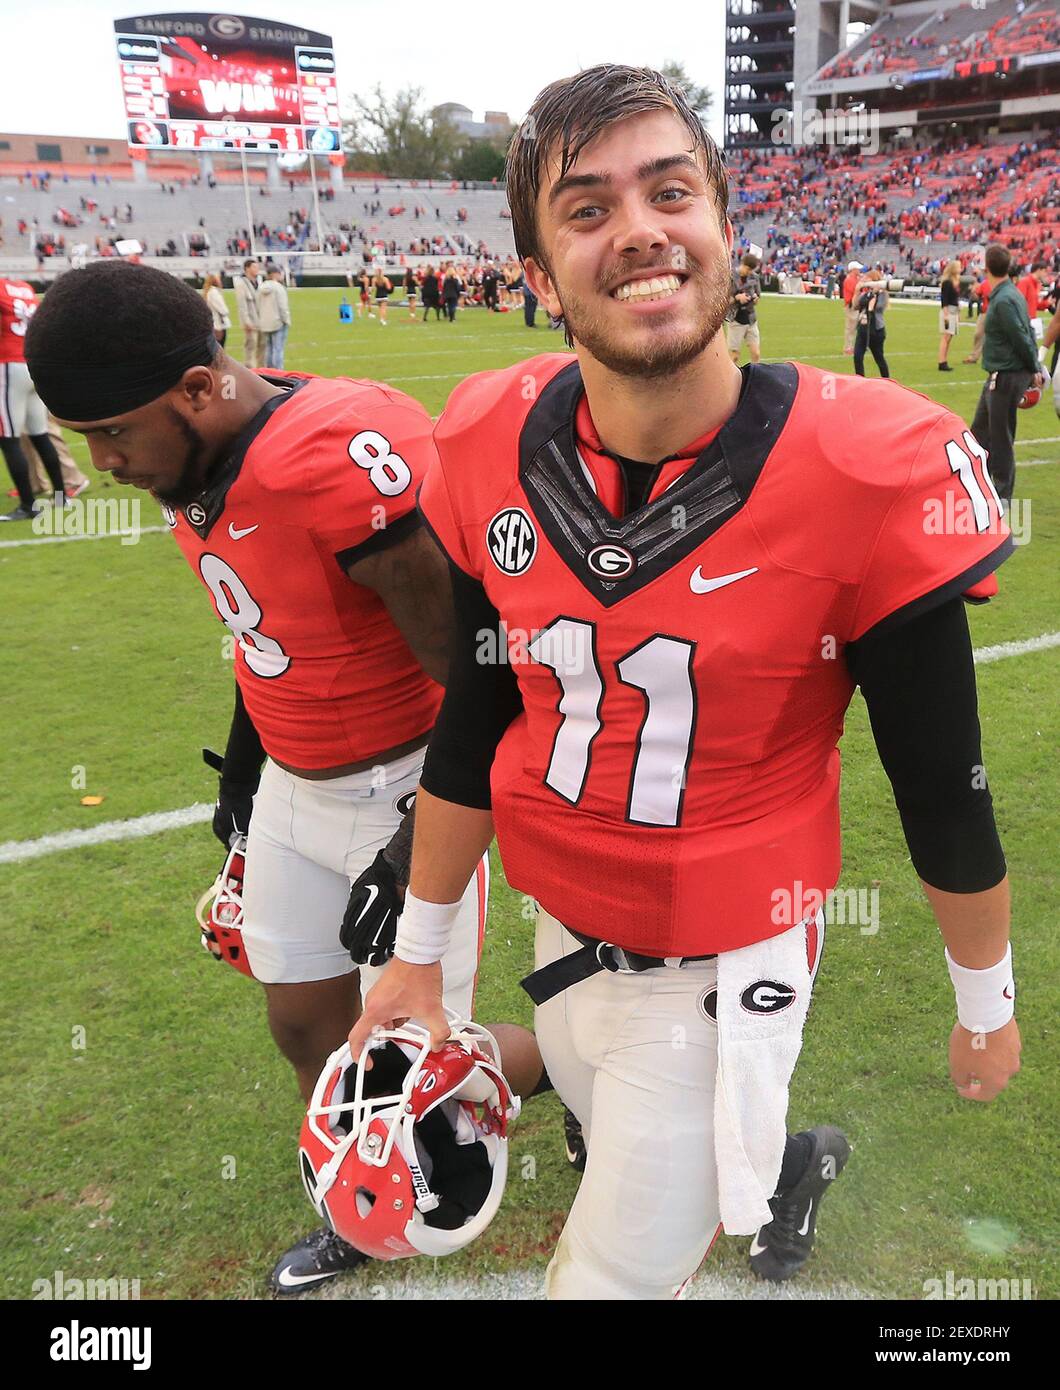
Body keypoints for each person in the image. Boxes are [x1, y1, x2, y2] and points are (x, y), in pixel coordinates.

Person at [350, 63, 1020, 1302]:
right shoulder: (488, 435)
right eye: (588, 207)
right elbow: (479, 715)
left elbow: (942, 784)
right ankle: (776, 1169)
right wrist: (418, 950)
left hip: (725, 965)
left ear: (722, 229)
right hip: (561, 941)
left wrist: (985, 1003)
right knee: (605, 1135)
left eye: (670, 192)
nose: (640, 229)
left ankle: (756, 1154)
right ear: (541, 277)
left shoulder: (869, 465)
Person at [25, 261, 544, 1295]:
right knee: (304, 1024)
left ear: (197, 388)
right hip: (293, 791)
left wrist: (415, 850)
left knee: (408, 1064)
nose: (105, 459)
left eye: (116, 431)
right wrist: (247, 775)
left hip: (408, 785)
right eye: (87, 436)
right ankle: (350, 1189)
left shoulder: (324, 460)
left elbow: (477, 676)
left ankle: (583, 1067)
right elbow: (261, 634)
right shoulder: (207, 448)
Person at [969, 243, 1043, 507]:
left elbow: (1021, 337)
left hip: (1006, 375)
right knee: (979, 432)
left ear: (987, 268)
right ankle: (979, 483)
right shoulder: (1008, 293)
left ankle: (1002, 495)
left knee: (999, 435)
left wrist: (1034, 367)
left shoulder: (1003, 300)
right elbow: (1027, 333)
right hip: (1000, 373)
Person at [0, 275, 65, 520]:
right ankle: (61, 496)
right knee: (40, 434)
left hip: (8, 364)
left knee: (8, 438)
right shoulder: (24, 288)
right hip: (29, 364)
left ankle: (28, 505)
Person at [852, 265, 890, 379]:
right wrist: (857, 292)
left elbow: (877, 308)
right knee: (857, 357)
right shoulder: (866, 293)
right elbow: (855, 305)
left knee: (879, 357)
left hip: (876, 330)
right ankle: (860, 379)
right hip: (863, 329)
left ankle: (887, 379)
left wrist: (874, 293)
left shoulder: (882, 294)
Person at [727, 252, 761, 364]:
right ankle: (731, 380)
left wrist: (755, 298)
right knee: (734, 356)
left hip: (751, 318)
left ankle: (755, 377)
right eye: (749, 269)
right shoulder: (730, 276)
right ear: (743, 265)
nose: (750, 272)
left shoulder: (754, 277)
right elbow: (724, 300)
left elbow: (758, 296)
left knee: (756, 353)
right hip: (736, 319)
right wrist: (737, 298)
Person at [258, 266, 291, 368]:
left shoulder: (260, 287)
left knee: (269, 348)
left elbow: (257, 305)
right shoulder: (279, 288)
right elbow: (282, 306)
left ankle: (270, 370)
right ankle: (278, 371)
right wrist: (286, 320)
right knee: (278, 349)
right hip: (278, 322)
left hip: (265, 322)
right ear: (275, 274)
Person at [233, 259, 263, 368]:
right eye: (254, 267)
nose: (257, 269)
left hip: (261, 321)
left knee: (262, 348)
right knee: (251, 347)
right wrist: (246, 321)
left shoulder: (258, 282)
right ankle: (251, 370)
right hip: (250, 321)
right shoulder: (241, 284)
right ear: (247, 268)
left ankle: (262, 371)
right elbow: (242, 305)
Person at [938, 259, 961, 371]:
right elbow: (944, 300)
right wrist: (946, 314)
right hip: (949, 311)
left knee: (949, 337)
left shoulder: (956, 281)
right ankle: (941, 361)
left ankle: (944, 360)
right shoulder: (947, 282)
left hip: (954, 310)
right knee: (946, 337)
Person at [964, 272, 991, 365]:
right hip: (985, 312)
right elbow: (977, 297)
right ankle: (974, 357)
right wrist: (973, 291)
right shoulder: (985, 283)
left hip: (998, 312)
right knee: (978, 334)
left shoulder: (1001, 283)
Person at [841, 260, 863, 355]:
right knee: (851, 328)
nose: (859, 270)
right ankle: (848, 347)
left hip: (855, 306)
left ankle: (852, 346)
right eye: (857, 269)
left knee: (854, 328)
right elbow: (856, 291)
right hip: (851, 306)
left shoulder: (855, 279)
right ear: (853, 269)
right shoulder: (850, 279)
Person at [201, 272, 230, 346]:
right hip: (218, 325)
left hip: (213, 323)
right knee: (220, 347)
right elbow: (223, 309)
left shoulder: (208, 291)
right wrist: (226, 311)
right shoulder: (214, 292)